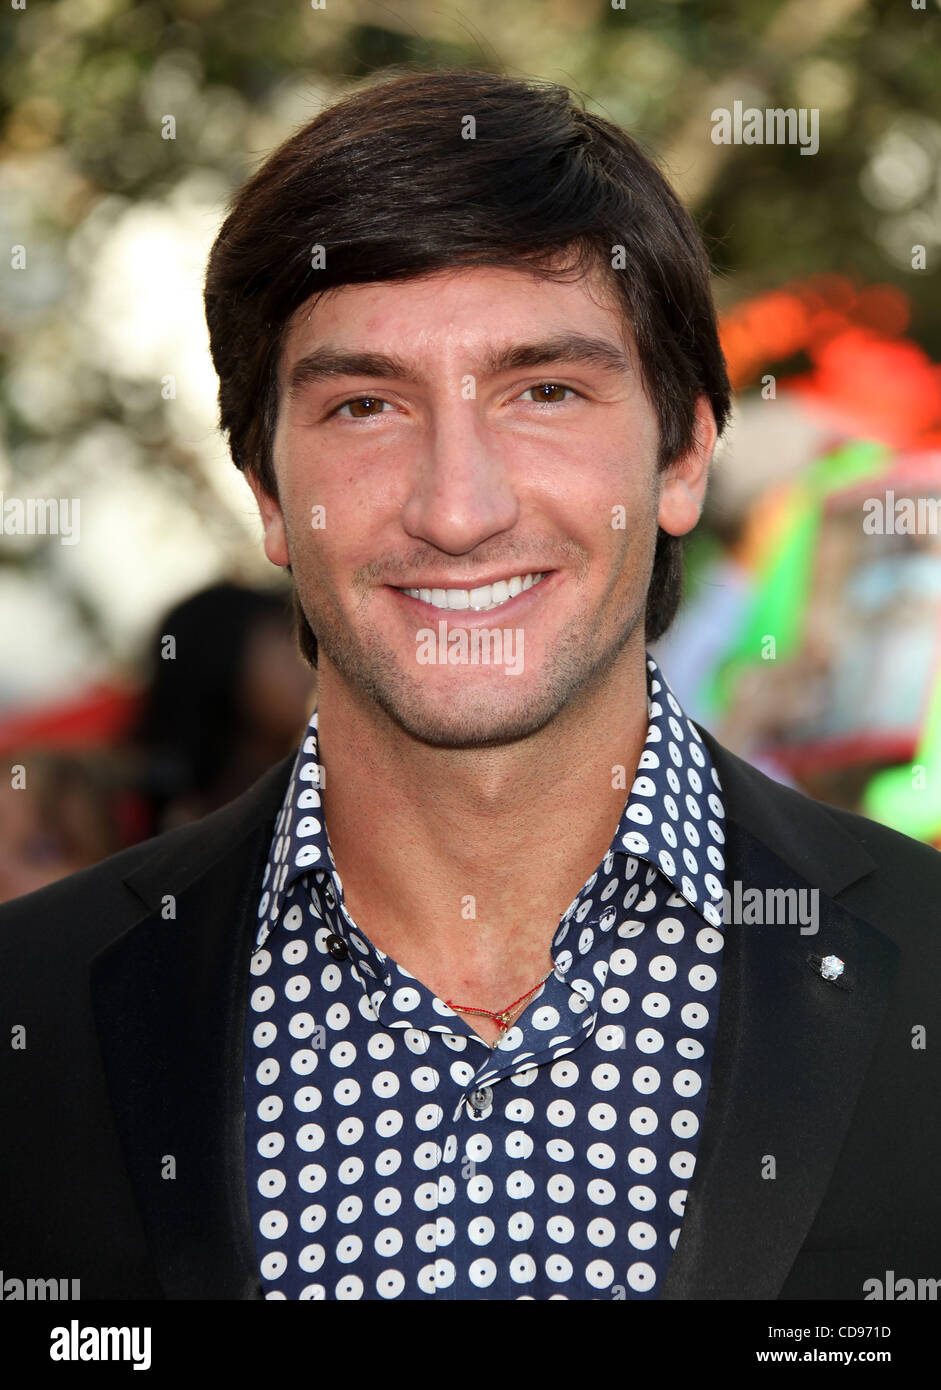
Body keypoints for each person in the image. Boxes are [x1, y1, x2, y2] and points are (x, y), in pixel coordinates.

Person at [1, 67, 939, 1303]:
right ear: (271, 494)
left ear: (683, 453)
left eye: (542, 390)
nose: (457, 508)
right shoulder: (37, 1015)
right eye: (364, 404)